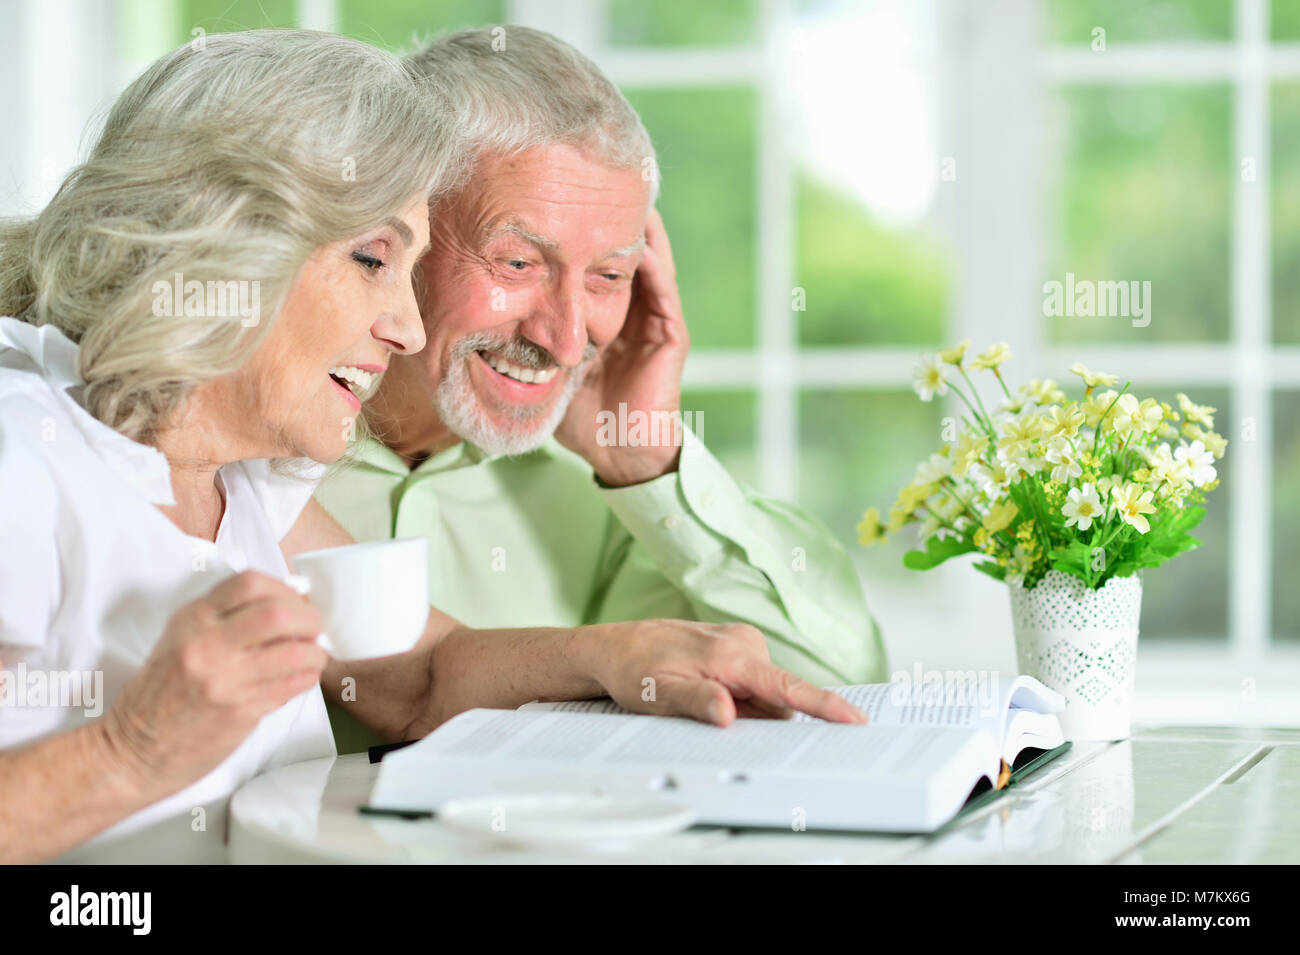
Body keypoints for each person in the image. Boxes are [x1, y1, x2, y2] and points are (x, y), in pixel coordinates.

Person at [0, 29, 862, 865]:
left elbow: (416, 676)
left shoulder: (247, 475)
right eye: (374, 258)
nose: (407, 327)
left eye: (607, 274)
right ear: (228, 236)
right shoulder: (25, 460)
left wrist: (618, 652)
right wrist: (135, 746)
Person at [314, 26, 888, 753]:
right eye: (518, 262)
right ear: (395, 235)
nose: (562, 337)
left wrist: (647, 461)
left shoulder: (605, 494)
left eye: (607, 276)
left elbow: (848, 689)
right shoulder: (253, 443)